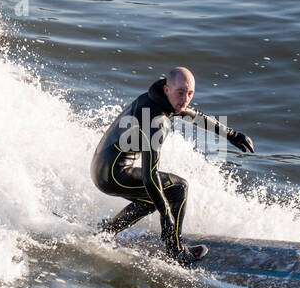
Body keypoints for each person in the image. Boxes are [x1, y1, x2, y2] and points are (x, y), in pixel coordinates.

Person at [91, 67, 254, 265]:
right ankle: (175, 251)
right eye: (181, 93)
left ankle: (107, 232)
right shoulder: (156, 121)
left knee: (152, 198)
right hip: (114, 175)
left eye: (190, 93)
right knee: (178, 188)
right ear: (167, 89)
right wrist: (167, 215)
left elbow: (194, 116)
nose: (185, 99)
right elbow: (150, 176)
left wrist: (232, 135)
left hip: (101, 167)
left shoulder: (157, 97)